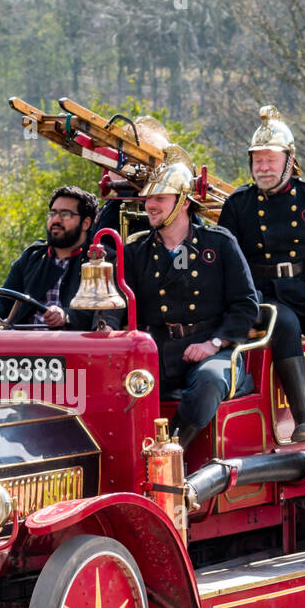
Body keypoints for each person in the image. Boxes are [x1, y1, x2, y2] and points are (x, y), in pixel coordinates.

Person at [217, 105, 305, 441]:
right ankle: (302, 422)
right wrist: (245, 301)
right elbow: (226, 264)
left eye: (270, 159)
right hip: (262, 296)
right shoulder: (238, 205)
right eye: (258, 160)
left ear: (289, 160)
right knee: (284, 323)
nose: (263, 167)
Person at [123, 145, 259, 449]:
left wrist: (213, 344)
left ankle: (168, 459)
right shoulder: (135, 251)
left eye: (160, 198)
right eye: (148, 199)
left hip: (215, 350)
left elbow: (245, 305)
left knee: (210, 380)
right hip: (155, 352)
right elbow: (121, 306)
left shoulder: (219, 243)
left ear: (184, 202)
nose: (150, 206)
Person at [0, 186, 103, 330]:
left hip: (72, 347)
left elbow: (103, 312)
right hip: (25, 345)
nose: (56, 220)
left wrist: (65, 315)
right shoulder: (32, 257)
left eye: (65, 214)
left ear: (86, 223)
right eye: (52, 214)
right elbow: (3, 301)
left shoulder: (99, 260)